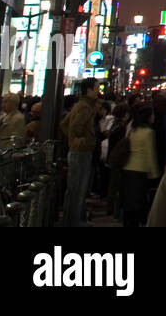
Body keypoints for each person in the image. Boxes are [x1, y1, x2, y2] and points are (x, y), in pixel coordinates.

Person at [60, 78, 100, 226]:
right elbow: (75, 126)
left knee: (74, 189)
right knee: (78, 189)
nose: (98, 90)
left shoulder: (80, 105)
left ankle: (74, 219)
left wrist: (72, 140)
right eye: (96, 88)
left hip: (76, 151)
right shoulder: (84, 107)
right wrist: (80, 140)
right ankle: (74, 221)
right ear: (89, 89)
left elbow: (64, 125)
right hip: (81, 152)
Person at [121, 105, 161, 228]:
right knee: (138, 202)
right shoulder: (149, 132)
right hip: (140, 170)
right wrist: (154, 174)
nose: (154, 117)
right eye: (152, 115)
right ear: (148, 117)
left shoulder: (131, 129)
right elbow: (150, 154)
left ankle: (127, 223)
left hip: (127, 168)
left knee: (129, 202)